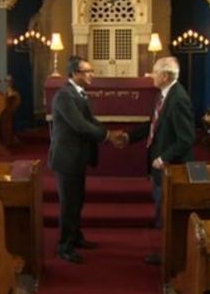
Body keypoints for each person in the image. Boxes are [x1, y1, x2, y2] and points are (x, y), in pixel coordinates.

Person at [48, 55, 125, 263]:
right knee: (69, 203)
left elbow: (89, 120)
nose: (92, 74)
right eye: (88, 71)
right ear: (75, 74)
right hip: (66, 158)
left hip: (77, 157)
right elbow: (79, 125)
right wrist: (109, 137)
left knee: (78, 200)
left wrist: (108, 132)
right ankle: (64, 245)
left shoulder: (79, 93)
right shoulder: (65, 95)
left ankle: (76, 237)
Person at [120, 56, 195, 265]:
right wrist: (129, 137)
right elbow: (154, 125)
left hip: (171, 168)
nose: (151, 76)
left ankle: (169, 256)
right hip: (160, 168)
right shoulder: (163, 95)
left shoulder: (178, 99)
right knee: (161, 210)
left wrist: (163, 157)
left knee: (166, 213)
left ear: (164, 75)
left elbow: (187, 138)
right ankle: (167, 252)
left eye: (154, 72)